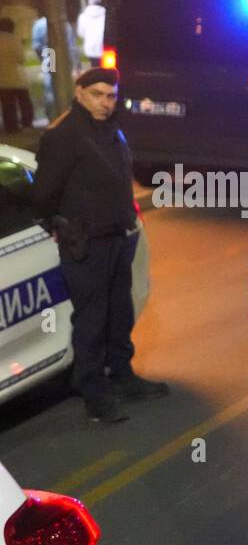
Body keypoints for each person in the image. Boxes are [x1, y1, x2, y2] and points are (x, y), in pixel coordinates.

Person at [31, 68, 168, 421]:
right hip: (86, 242)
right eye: (97, 94)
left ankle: (122, 375)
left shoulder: (110, 129)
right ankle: (93, 393)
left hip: (117, 236)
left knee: (119, 312)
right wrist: (59, 226)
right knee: (92, 319)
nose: (105, 102)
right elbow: (44, 192)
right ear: (79, 92)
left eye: (110, 95)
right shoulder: (64, 135)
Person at [0, 18, 33, 133]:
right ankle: (26, 123)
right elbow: (21, 58)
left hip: (2, 79)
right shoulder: (14, 39)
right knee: (24, 101)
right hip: (16, 77)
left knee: (8, 105)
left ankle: (11, 127)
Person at [76, 0, 106, 67]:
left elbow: (80, 34)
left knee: (94, 67)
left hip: (90, 48)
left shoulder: (83, 16)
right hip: (103, 46)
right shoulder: (106, 14)